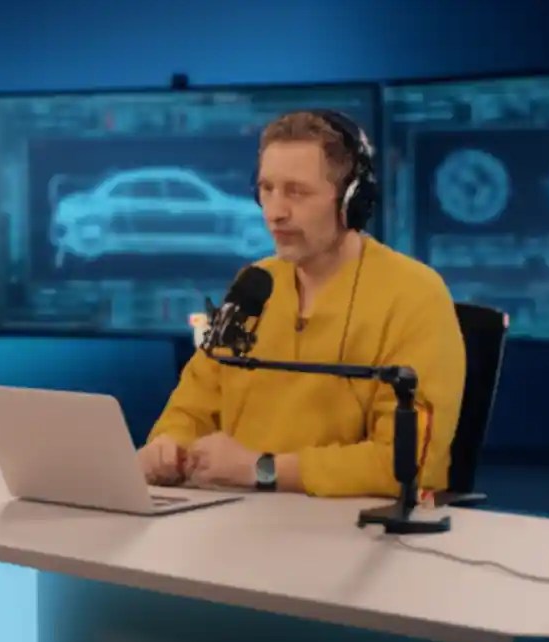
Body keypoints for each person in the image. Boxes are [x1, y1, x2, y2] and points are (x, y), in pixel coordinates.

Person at [138, 110, 466, 498]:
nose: (275, 212)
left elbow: (407, 462)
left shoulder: (414, 296)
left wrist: (262, 469)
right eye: (267, 189)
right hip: (235, 517)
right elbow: (190, 409)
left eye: (296, 192)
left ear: (350, 201)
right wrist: (168, 447)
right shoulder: (254, 286)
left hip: (350, 525)